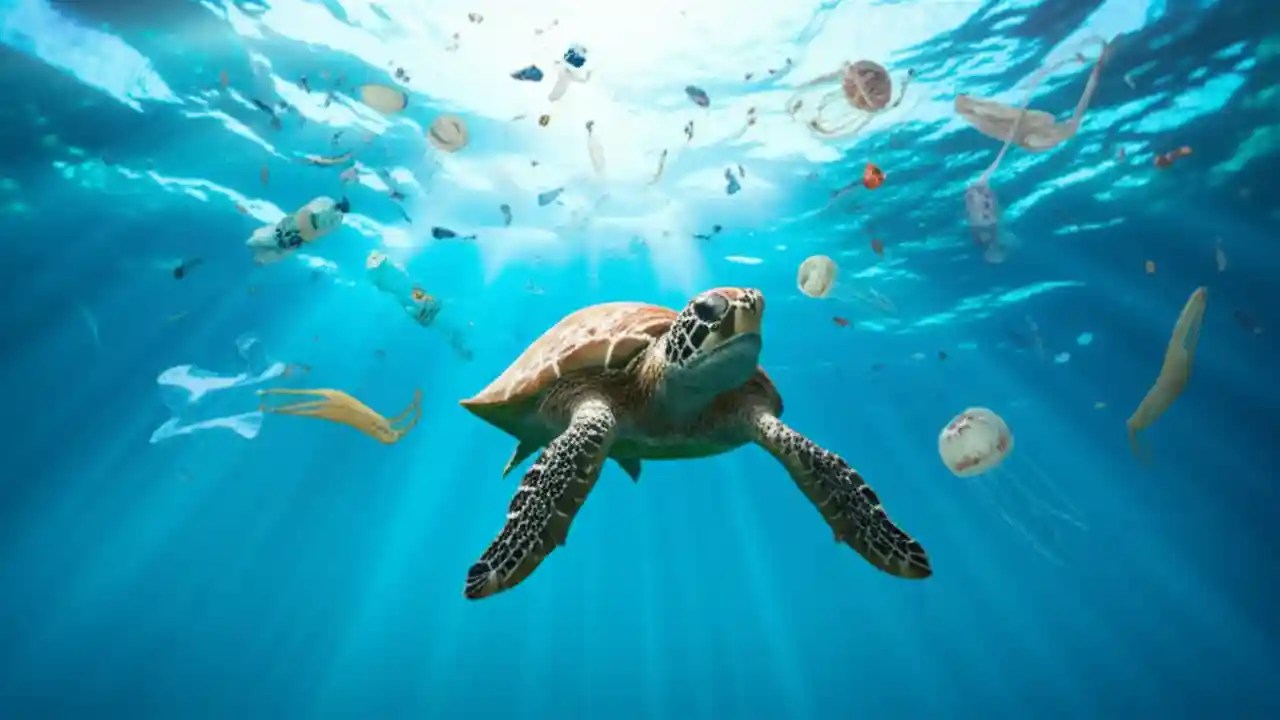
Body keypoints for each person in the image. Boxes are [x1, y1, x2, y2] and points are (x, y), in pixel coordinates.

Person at [247, 196, 350, 265]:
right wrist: (306, 234)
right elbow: (303, 214)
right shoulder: (325, 202)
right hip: (286, 229)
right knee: (253, 242)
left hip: (294, 242)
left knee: (262, 260)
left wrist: (306, 236)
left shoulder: (336, 221)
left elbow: (319, 233)